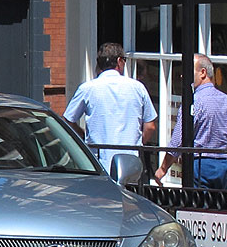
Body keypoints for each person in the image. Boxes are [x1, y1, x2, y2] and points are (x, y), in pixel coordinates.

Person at [154, 54, 227, 247]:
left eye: (188, 71)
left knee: (199, 224)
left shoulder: (193, 102)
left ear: (203, 72)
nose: (184, 76)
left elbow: (178, 141)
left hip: (202, 165)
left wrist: (163, 168)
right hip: (224, 166)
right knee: (217, 222)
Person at [63, 42, 157, 173]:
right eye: (124, 60)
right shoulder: (137, 88)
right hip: (130, 162)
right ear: (119, 61)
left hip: (98, 162)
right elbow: (150, 126)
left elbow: (68, 119)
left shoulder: (87, 89)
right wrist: (137, 145)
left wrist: (83, 136)